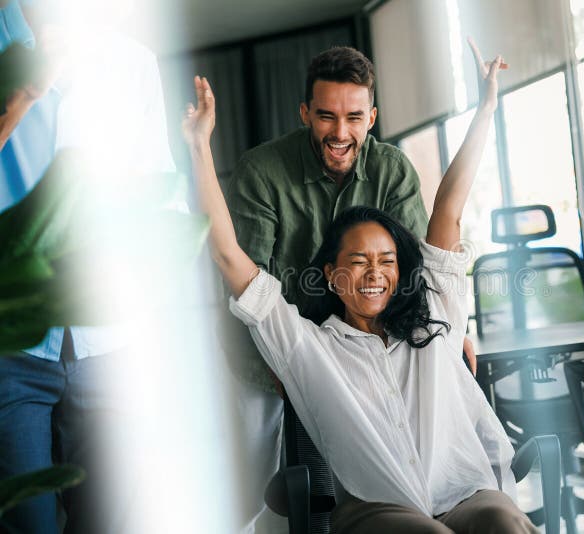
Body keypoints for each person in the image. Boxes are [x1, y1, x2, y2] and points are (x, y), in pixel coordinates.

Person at [183, 39, 537, 533]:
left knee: (506, 522)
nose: (374, 273)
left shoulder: (430, 319)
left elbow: (446, 212)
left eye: (387, 260)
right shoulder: (314, 348)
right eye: (358, 261)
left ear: (371, 117)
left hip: (460, 490)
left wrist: (487, 107)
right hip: (382, 504)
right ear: (329, 274)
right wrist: (199, 147)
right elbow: (230, 258)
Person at [0, 1, 175, 532]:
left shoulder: (133, 62)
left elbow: (161, 196)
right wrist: (24, 93)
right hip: (10, 348)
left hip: (110, 345)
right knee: (27, 521)